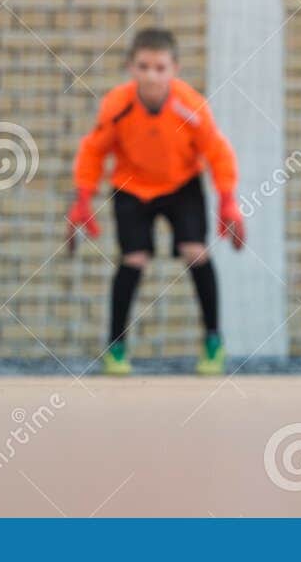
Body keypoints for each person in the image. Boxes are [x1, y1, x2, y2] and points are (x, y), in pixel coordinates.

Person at [67, 30, 242, 376]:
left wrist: (228, 202)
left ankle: (213, 342)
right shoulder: (117, 105)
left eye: (160, 67)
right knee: (134, 259)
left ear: (174, 68)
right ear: (131, 67)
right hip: (132, 187)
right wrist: (82, 200)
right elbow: (93, 150)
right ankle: (115, 347)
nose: (151, 74)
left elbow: (218, 152)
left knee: (196, 251)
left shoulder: (189, 106)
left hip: (182, 185)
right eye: (144, 66)